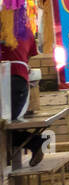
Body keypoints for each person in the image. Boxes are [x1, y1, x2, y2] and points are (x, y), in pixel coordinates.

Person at [2, 26, 42, 168]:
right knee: (5, 126)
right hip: (19, 80)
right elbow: (28, 56)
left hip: (12, 81)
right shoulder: (26, 30)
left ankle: (34, 142)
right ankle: (34, 142)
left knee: (3, 127)